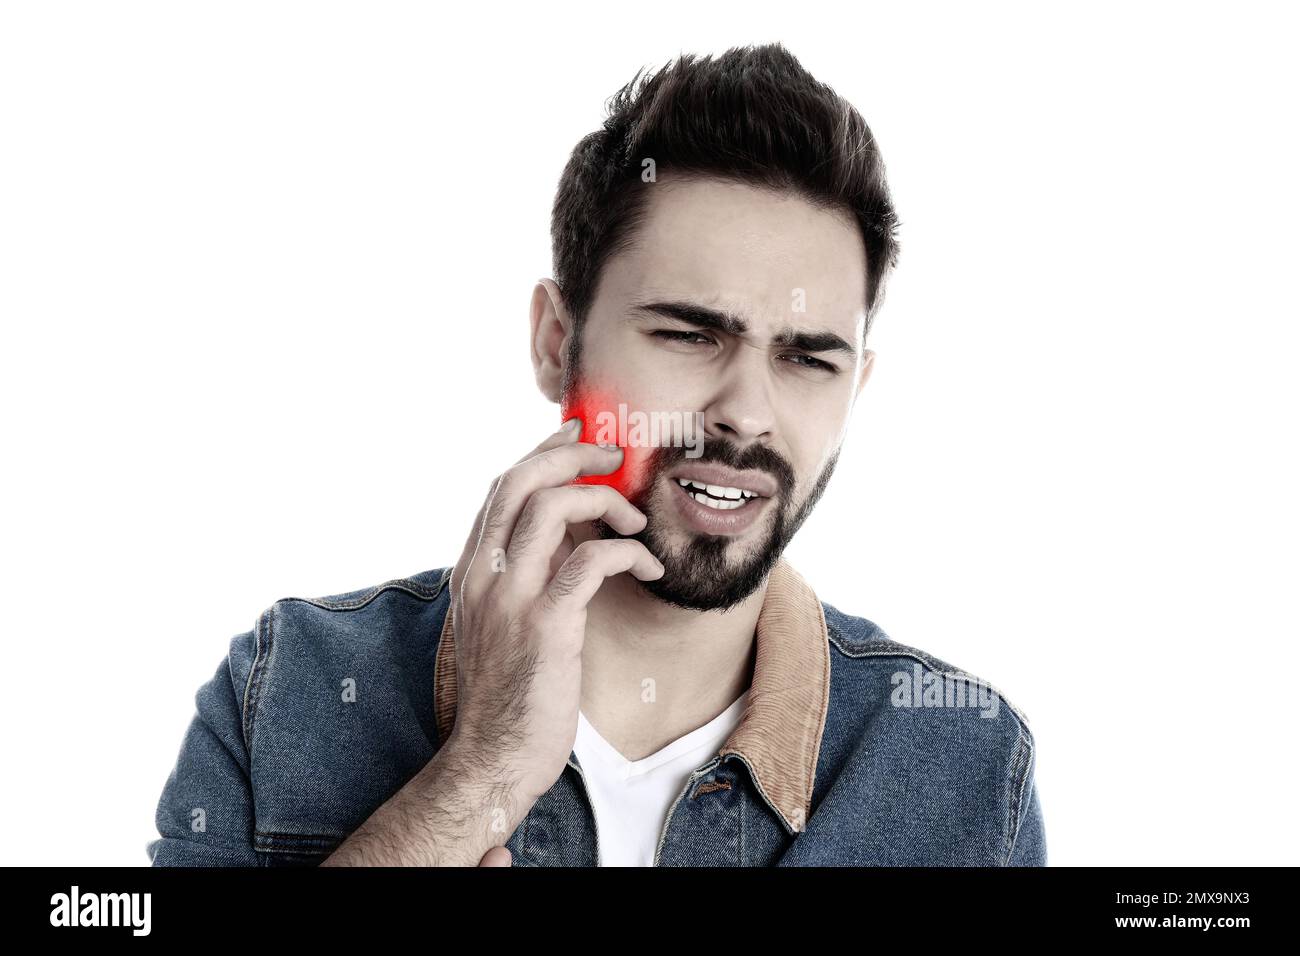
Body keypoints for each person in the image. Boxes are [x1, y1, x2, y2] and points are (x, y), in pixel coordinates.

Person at [149, 42, 1045, 867]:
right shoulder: (289, 692)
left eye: (808, 358)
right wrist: (478, 772)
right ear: (554, 342)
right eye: (690, 334)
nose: (747, 415)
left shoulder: (965, 768)